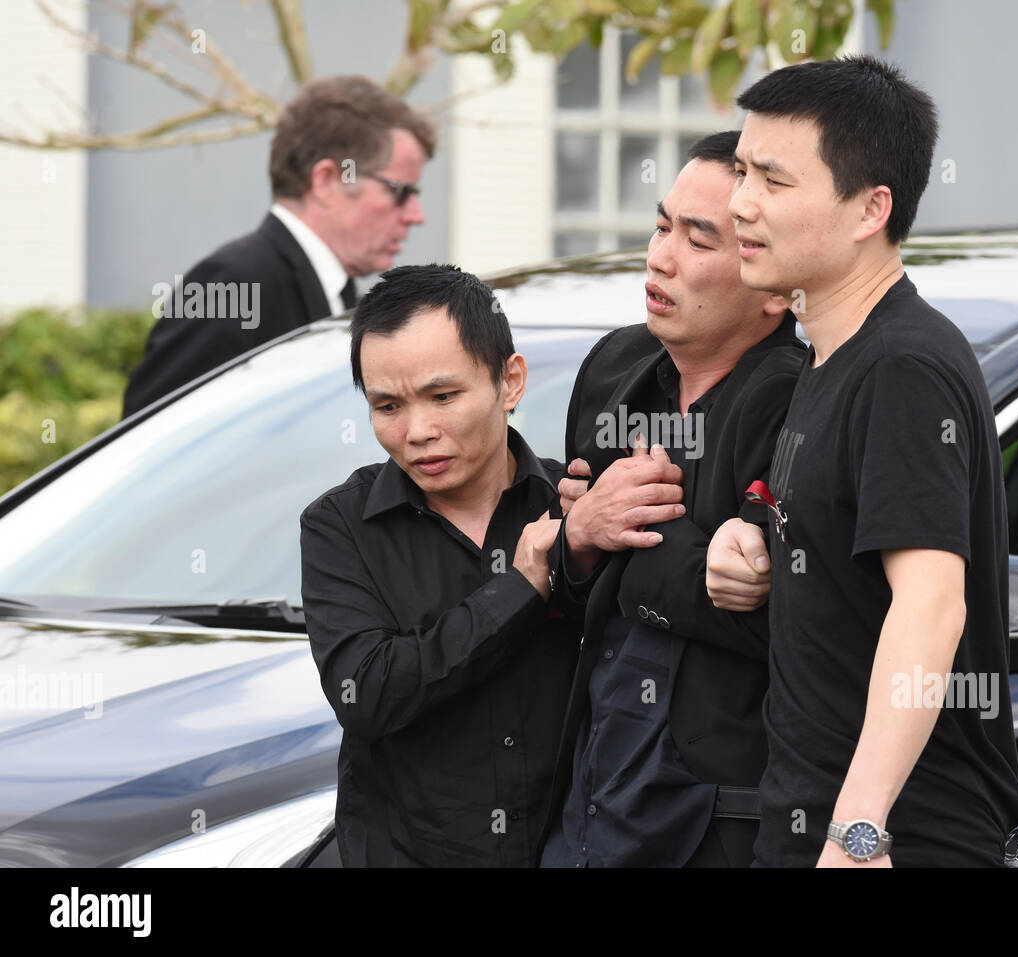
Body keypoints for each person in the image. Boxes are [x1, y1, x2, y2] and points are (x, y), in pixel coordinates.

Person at [708, 55, 1018, 867]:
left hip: (900, 839)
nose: (740, 203)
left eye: (774, 182)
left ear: (869, 209)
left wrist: (859, 829)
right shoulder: (829, 357)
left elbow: (931, 605)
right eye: (741, 171)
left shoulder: (901, 367)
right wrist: (752, 534)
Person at [538, 131, 806, 868]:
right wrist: (579, 537)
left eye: (699, 240)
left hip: (710, 814)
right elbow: (565, 579)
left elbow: (788, 622)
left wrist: (624, 533)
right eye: (661, 227)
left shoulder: (799, 402)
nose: (660, 258)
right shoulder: (615, 367)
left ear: (774, 286)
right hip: (588, 793)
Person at [299, 264, 579, 866]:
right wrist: (521, 587)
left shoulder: (574, 508)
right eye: (388, 406)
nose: (417, 431)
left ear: (510, 381)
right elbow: (368, 693)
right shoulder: (340, 528)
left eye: (443, 396)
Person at [123, 75, 434, 416]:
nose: (416, 215)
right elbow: (151, 442)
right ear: (327, 180)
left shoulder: (338, 293)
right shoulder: (234, 283)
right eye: (400, 191)